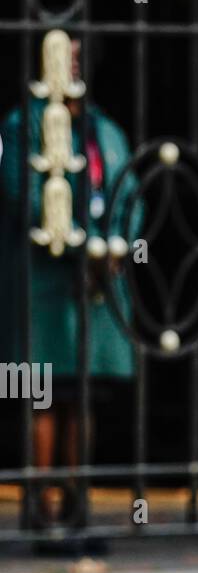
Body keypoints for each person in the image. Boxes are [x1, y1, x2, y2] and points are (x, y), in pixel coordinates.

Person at [0, 36, 142, 536]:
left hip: (97, 286)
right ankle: (41, 509)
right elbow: (27, 196)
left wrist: (116, 248)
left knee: (82, 394)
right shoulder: (23, 124)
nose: (74, 64)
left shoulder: (104, 128)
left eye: (82, 55)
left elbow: (129, 194)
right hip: (47, 281)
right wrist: (84, 245)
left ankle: (77, 506)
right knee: (43, 394)